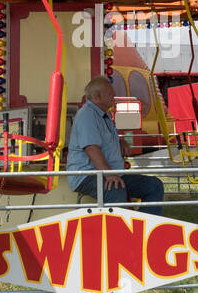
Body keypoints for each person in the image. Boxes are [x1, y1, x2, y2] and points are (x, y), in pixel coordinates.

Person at [67, 76, 164, 208]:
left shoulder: (104, 115)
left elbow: (103, 139)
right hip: (87, 175)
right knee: (116, 190)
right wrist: (110, 174)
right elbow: (91, 148)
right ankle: (122, 228)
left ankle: (141, 227)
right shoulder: (87, 115)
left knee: (154, 186)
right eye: (110, 93)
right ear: (97, 96)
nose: (114, 95)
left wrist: (120, 142)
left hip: (109, 172)